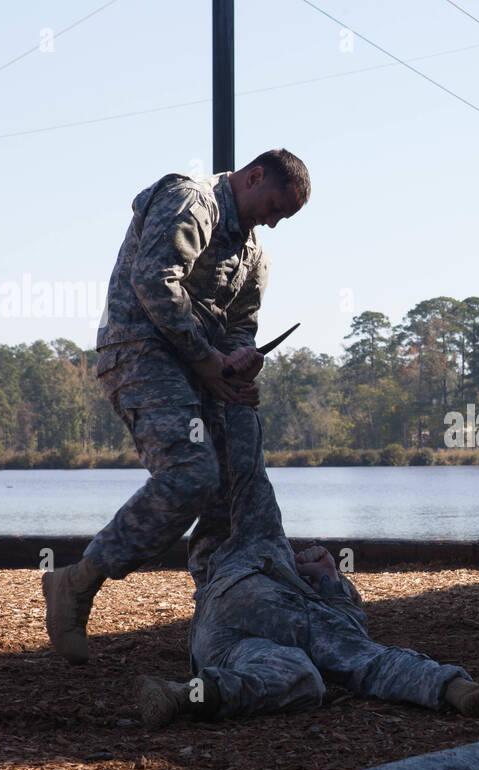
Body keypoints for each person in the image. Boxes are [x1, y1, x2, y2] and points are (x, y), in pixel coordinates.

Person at [43, 149, 310, 666]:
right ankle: (77, 583)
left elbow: (242, 324)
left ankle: (223, 612)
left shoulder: (255, 253)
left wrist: (239, 363)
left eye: (284, 218)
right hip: (141, 352)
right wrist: (208, 358)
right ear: (254, 176)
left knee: (236, 480)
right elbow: (154, 280)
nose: (273, 223)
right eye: (274, 206)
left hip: (199, 367)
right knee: (191, 474)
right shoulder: (191, 200)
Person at [136, 401, 479, 727]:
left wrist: (328, 580)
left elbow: (238, 470)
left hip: (230, 627)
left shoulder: (233, 552)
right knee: (368, 660)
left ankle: (180, 695)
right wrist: (332, 581)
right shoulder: (255, 544)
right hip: (249, 592)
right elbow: (352, 634)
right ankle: (459, 690)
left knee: (302, 678)